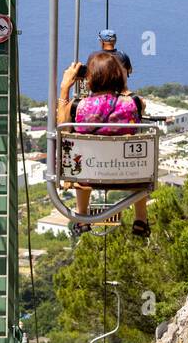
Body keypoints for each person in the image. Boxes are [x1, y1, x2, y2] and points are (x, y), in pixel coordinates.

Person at [56, 49, 151, 239]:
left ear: (89, 78)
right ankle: (140, 217)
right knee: (140, 158)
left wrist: (65, 87)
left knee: (80, 156)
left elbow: (62, 126)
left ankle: (82, 215)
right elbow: (140, 104)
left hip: (88, 174)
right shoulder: (134, 103)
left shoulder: (78, 107)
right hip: (128, 173)